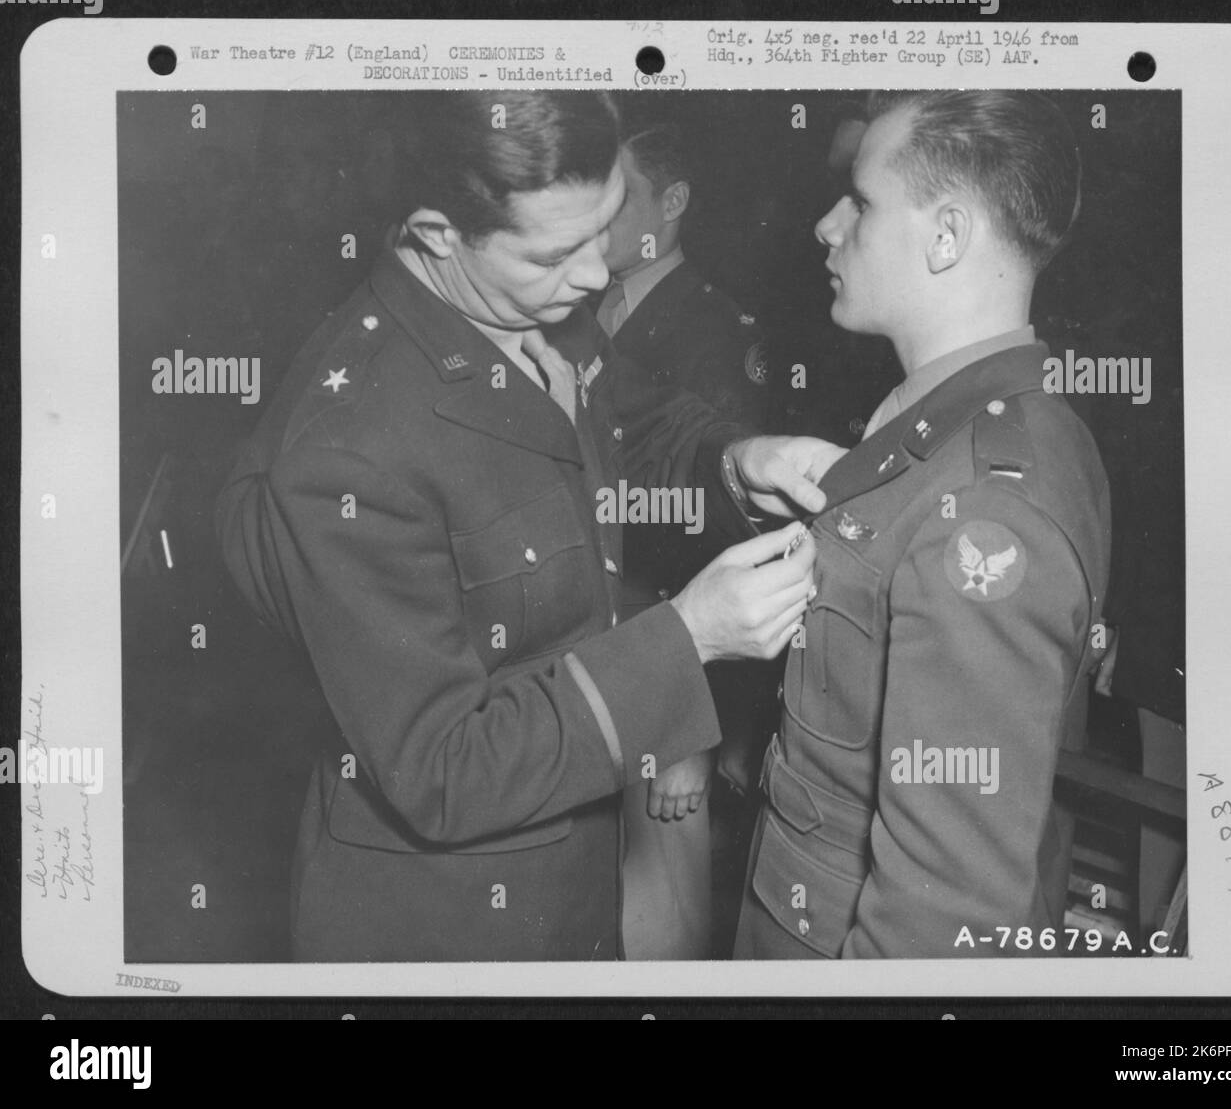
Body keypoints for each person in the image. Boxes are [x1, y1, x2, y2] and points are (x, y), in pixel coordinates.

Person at [215, 90, 843, 962]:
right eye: (558, 250)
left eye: (609, 225)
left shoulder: (533, 303)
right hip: (450, 926)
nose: (596, 273)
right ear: (438, 233)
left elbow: (629, 418)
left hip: (575, 874)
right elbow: (443, 769)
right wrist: (686, 637)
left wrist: (739, 460)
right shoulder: (346, 451)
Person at [733, 90, 1112, 959]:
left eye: (861, 202)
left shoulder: (983, 509)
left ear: (946, 236)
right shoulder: (989, 420)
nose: (828, 226)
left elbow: (940, 925)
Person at [595, 119, 779, 959]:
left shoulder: (711, 329)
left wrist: (695, 733)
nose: (597, 215)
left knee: (658, 926)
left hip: (668, 670)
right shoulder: (586, 302)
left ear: (671, 204)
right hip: (595, 654)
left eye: (619, 194)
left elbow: (725, 545)